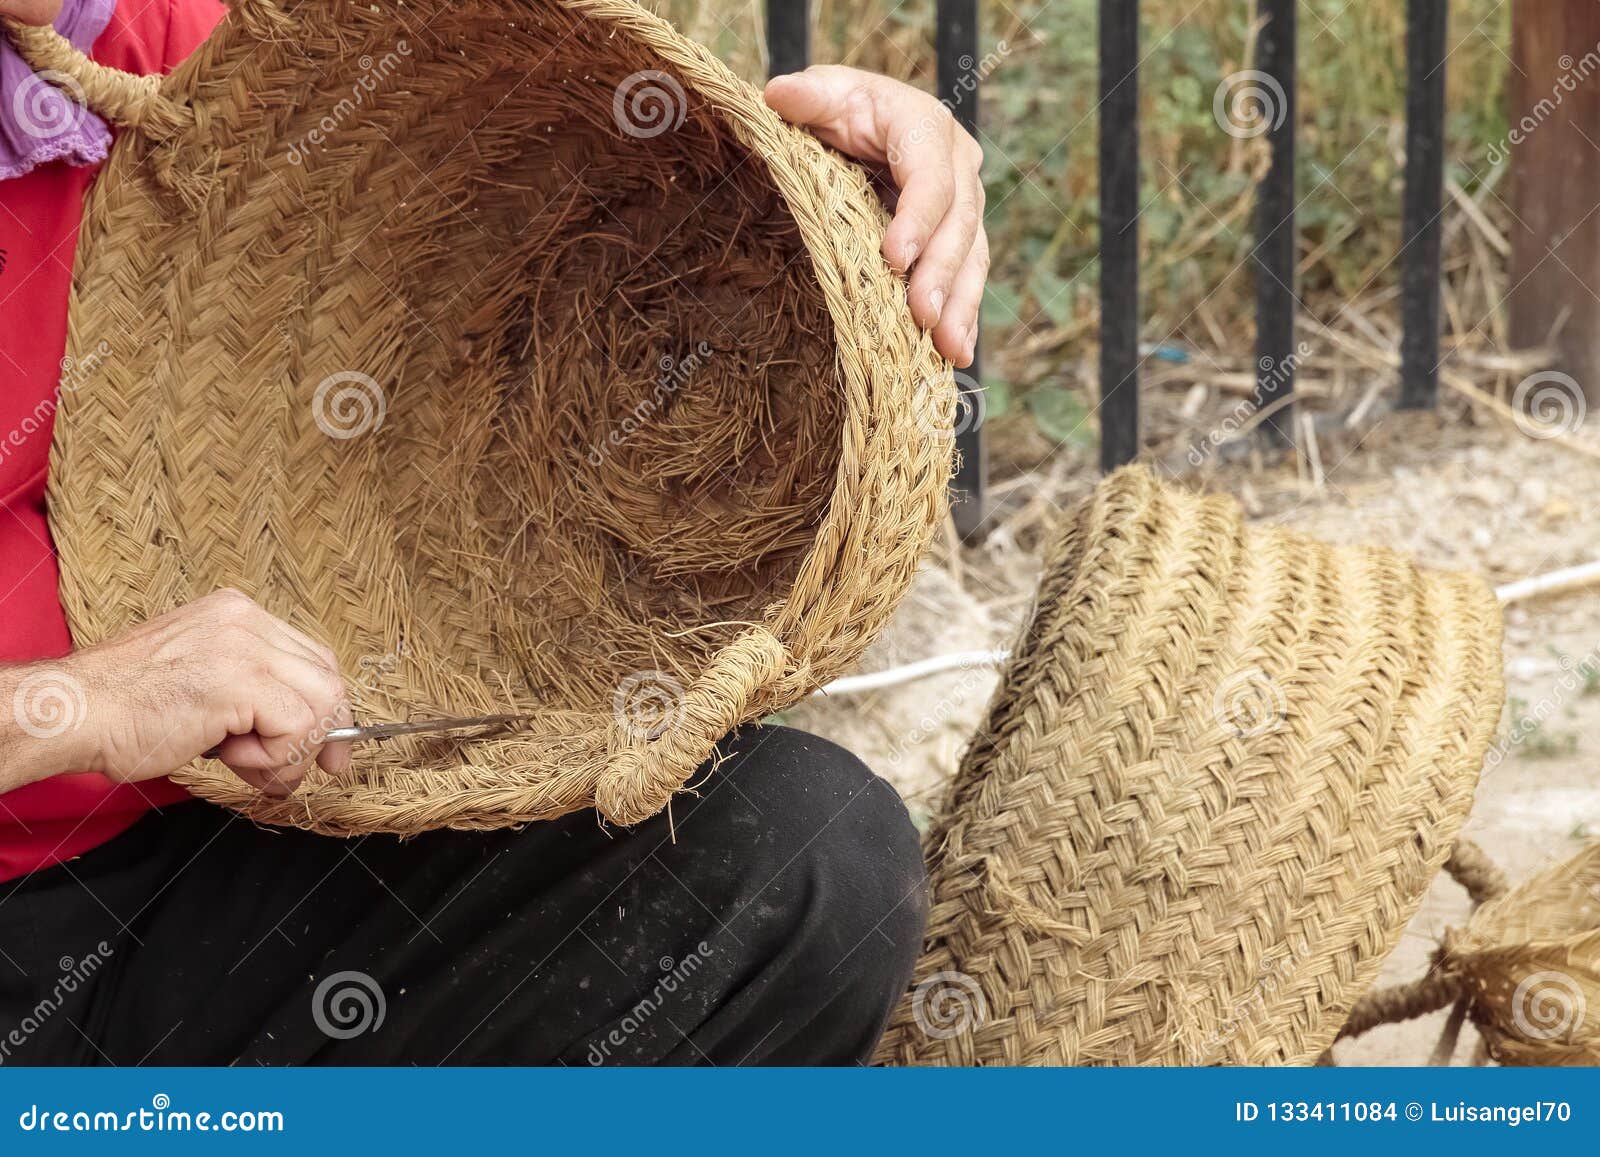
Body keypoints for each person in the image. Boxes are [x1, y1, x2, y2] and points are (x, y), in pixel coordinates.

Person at [0, 0, 987, 1064]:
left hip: (217, 847)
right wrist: (84, 704)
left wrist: (825, 178)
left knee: (806, 860)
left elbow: (435, 166)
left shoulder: (110, 41)